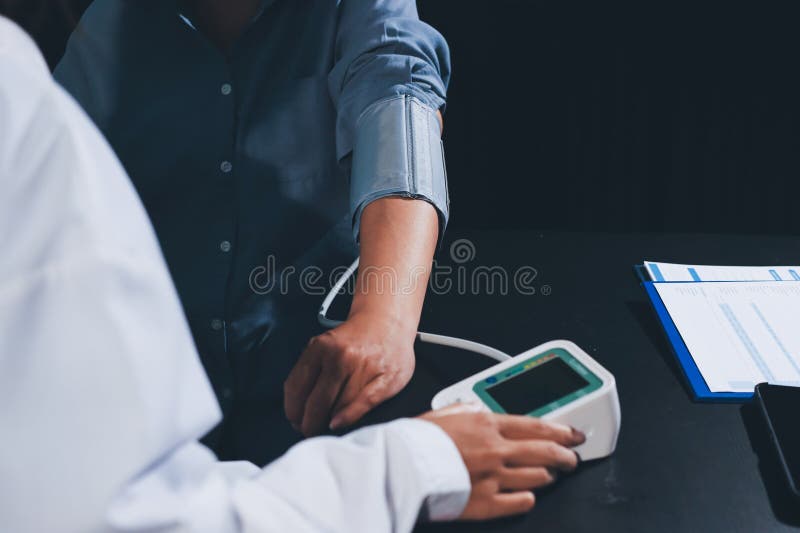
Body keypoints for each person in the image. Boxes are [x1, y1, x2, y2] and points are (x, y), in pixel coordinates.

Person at [0, 10, 587, 532]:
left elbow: (399, 90)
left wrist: (383, 318)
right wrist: (407, 470)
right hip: (153, 405)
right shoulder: (58, 63)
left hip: (315, 388)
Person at [54, 0, 456, 464]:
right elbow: (47, 174)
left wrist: (384, 322)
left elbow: (399, 102)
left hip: (320, 406)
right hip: (152, 418)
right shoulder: (115, 20)